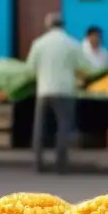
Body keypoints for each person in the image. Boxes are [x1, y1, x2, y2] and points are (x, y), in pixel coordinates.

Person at [25, 12, 91, 174]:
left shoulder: (38, 44)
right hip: (65, 91)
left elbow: (30, 70)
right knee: (63, 127)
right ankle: (61, 164)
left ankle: (38, 163)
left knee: (39, 128)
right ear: (63, 25)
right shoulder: (72, 44)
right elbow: (84, 68)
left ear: (48, 26)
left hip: (44, 90)